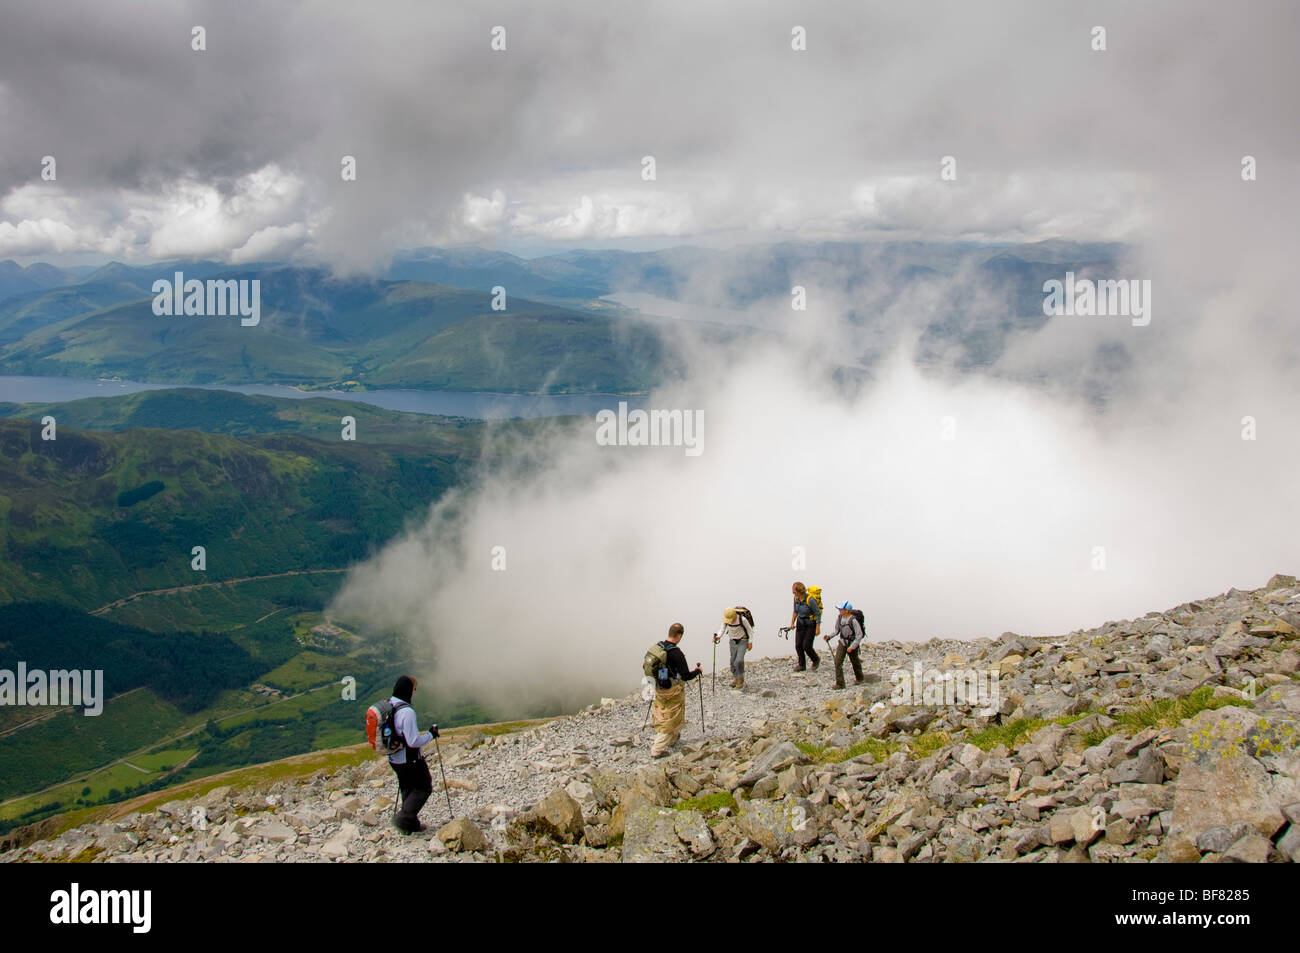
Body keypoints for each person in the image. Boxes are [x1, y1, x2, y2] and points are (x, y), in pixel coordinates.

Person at [386, 674, 440, 833]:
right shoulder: (407, 712)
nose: (414, 693)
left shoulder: (389, 705)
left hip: (393, 758)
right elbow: (413, 741)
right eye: (414, 690)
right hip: (410, 759)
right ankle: (404, 818)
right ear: (408, 690)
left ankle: (411, 825)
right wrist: (431, 734)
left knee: (408, 788)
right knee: (424, 787)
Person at [650, 623, 702, 759]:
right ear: (679, 635)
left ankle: (673, 739)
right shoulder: (676, 653)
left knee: (664, 711)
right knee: (672, 717)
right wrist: (697, 671)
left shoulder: (658, 648)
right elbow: (685, 675)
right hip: (672, 689)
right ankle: (657, 749)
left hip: (659, 687)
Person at [826, 601, 865, 689]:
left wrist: (852, 647)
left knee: (855, 661)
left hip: (851, 643)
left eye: (841, 609)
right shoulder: (839, 618)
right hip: (842, 642)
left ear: (847, 610)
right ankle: (840, 684)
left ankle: (860, 678)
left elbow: (859, 635)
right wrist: (829, 637)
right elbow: (836, 631)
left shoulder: (853, 620)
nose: (839, 610)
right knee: (837, 661)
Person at [713, 607, 753, 689]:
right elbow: (722, 629)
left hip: (743, 640)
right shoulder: (726, 620)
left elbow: (750, 630)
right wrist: (718, 636)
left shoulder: (743, 620)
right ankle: (736, 678)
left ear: (735, 615)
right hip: (732, 642)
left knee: (739, 661)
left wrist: (750, 642)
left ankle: (740, 679)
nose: (729, 621)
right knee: (732, 662)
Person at [789, 582, 822, 672]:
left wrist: (818, 628)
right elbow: (795, 611)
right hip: (800, 623)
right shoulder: (796, 598)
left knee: (807, 646)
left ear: (799, 591)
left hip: (810, 624)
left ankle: (815, 660)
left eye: (794, 591)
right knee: (798, 645)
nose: (793, 593)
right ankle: (802, 664)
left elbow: (818, 614)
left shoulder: (810, 600)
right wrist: (792, 623)